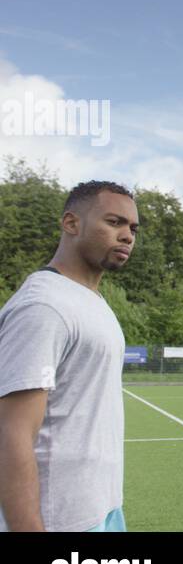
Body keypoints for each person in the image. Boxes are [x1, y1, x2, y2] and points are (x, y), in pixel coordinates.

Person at [0, 181, 138, 531]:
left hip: (102, 507)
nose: (127, 235)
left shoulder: (91, 300)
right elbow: (11, 432)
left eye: (132, 228)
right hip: (61, 519)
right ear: (71, 224)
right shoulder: (44, 305)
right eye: (114, 222)